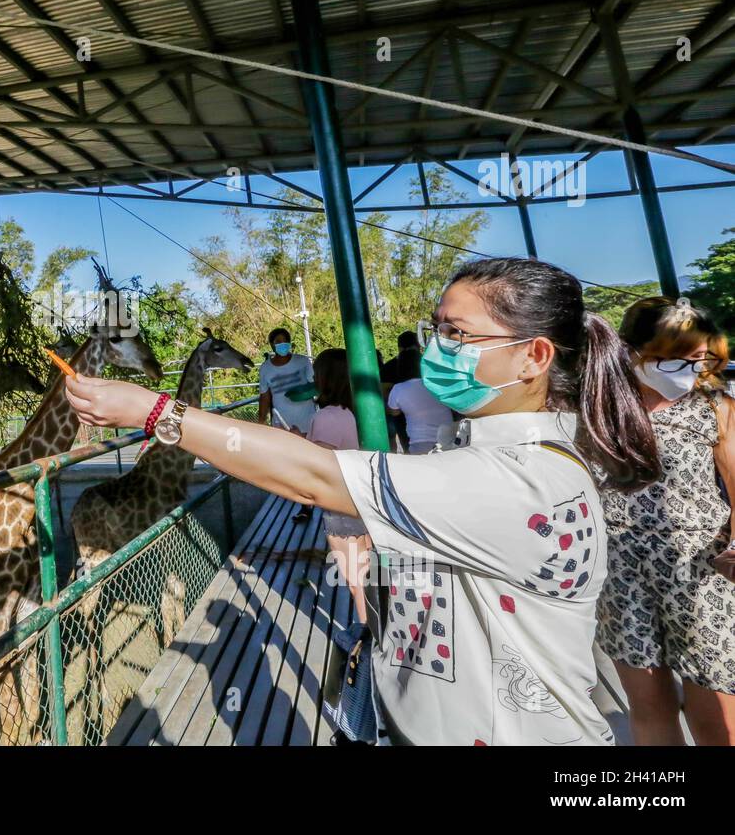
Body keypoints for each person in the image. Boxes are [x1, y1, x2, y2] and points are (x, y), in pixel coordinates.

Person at [65, 257, 660, 745]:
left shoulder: (516, 479)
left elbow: (314, 476)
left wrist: (154, 412)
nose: (437, 349)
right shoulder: (490, 456)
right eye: (437, 331)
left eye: (457, 334)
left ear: (534, 356)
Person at [596, 296, 735, 746]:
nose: (692, 370)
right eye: (678, 359)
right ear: (634, 351)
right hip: (620, 569)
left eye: (701, 359)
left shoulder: (715, 407)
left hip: (699, 568)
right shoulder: (599, 412)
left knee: (714, 709)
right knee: (649, 702)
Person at [305, 349, 367, 623]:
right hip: (361, 500)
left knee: (357, 579)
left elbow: (319, 466)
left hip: (340, 508)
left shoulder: (326, 417)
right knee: (366, 571)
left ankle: (367, 636)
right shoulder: (354, 412)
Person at [386, 346, 454, 454]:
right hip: (449, 440)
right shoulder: (436, 383)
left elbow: (393, 411)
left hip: (420, 442)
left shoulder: (398, 389)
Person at [257, 327, 315, 436]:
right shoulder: (265, 368)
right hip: (282, 423)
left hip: (307, 420)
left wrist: (307, 393)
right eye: (278, 342)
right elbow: (264, 397)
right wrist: (261, 421)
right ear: (271, 345)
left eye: (285, 341)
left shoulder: (303, 361)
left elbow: (315, 384)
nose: (282, 344)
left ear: (289, 343)